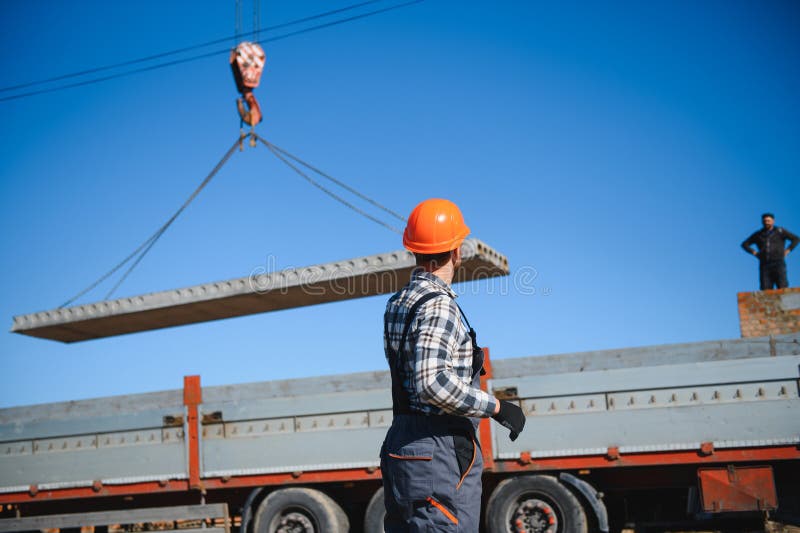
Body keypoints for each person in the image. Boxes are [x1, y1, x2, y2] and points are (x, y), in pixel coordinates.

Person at [380, 198, 525, 532]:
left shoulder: (396, 303)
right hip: (438, 448)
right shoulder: (439, 306)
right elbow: (432, 384)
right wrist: (498, 407)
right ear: (457, 250)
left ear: (413, 249)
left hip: (404, 440)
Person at [741, 213, 799, 290]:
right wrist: (754, 253)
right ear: (762, 222)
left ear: (773, 221)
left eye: (768, 220)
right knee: (765, 289)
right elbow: (745, 244)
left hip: (778, 263)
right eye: (765, 221)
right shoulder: (758, 234)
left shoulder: (780, 231)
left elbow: (796, 239)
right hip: (765, 265)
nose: (767, 222)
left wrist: (788, 250)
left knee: (782, 287)